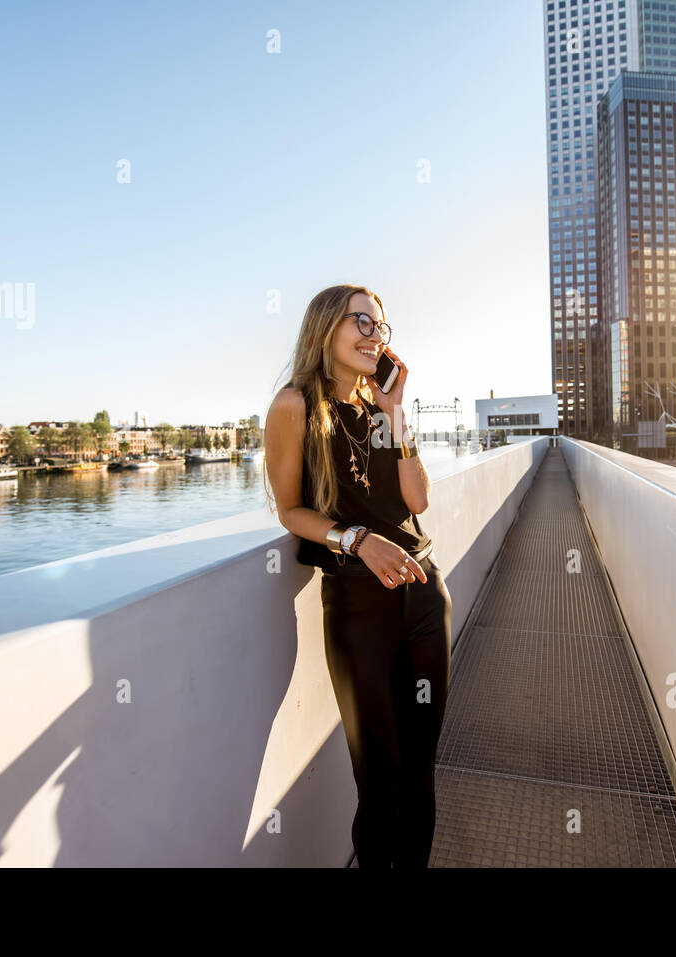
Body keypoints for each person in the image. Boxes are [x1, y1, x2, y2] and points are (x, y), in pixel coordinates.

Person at [263, 284, 451, 868]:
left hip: (422, 595)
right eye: (362, 323)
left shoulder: (379, 411)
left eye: (381, 328)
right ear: (326, 328)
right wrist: (356, 540)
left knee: (419, 770)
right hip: (357, 606)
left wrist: (397, 415)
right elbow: (290, 510)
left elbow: (417, 500)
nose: (376, 336)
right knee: (379, 775)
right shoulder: (293, 407)